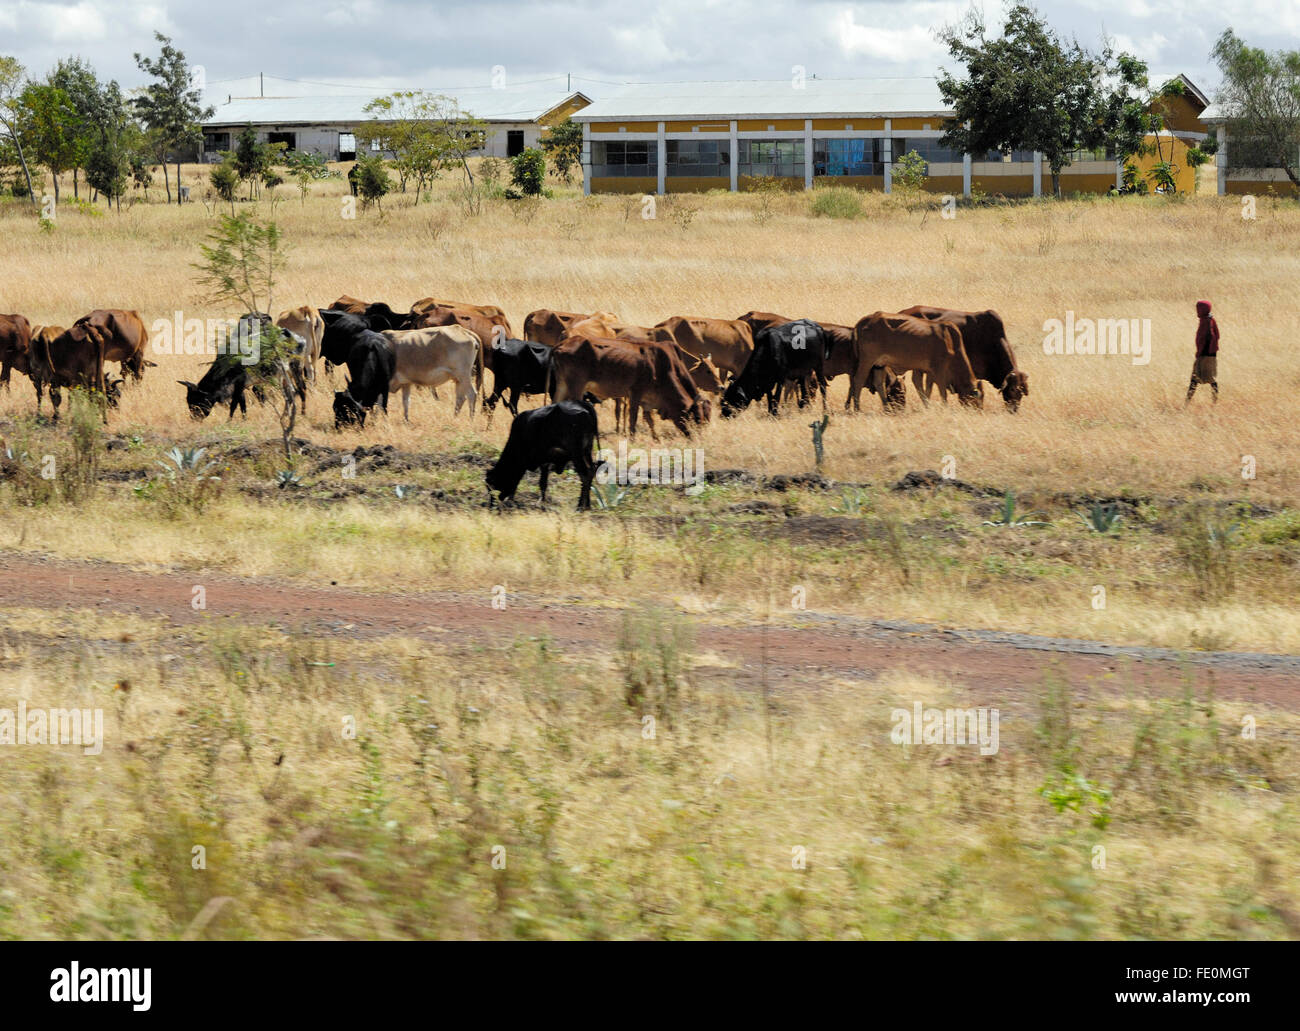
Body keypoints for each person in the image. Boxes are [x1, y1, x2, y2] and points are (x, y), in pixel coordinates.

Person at [1186, 299, 1219, 405]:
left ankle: (1186, 403)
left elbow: (1209, 338)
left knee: (1195, 379)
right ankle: (1215, 402)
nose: (1197, 311)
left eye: (1198, 308)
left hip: (1205, 355)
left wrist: (1200, 353)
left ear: (1203, 310)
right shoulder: (1208, 319)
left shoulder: (1207, 321)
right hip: (1209, 354)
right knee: (1211, 379)